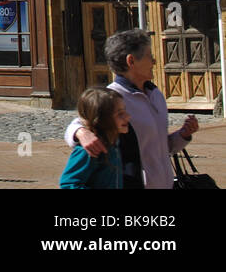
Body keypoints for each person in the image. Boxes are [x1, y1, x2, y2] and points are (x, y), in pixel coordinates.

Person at [65, 28, 199, 189]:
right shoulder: (112, 97)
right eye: (149, 56)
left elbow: (162, 148)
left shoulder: (155, 94)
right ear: (131, 61)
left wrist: (183, 135)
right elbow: (79, 123)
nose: (154, 62)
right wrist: (81, 133)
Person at [59, 87, 129, 189]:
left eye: (125, 111)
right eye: (120, 114)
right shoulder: (89, 150)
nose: (127, 116)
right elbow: (68, 184)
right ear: (101, 119)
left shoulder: (114, 143)